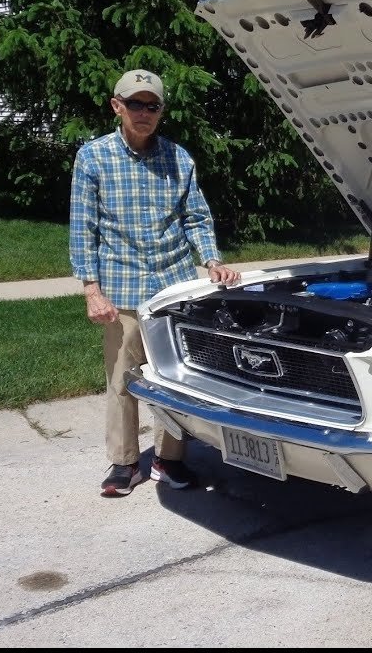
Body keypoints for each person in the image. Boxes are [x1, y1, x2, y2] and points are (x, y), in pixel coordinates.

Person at [69, 68, 241, 497]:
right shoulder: (93, 157)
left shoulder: (178, 158)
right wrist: (92, 290)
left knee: (175, 378)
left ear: (161, 110)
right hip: (123, 288)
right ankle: (124, 463)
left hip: (173, 288)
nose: (144, 112)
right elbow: (83, 228)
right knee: (122, 379)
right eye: (135, 104)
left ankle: (169, 458)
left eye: (152, 105)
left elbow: (195, 217)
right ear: (117, 106)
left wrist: (212, 260)